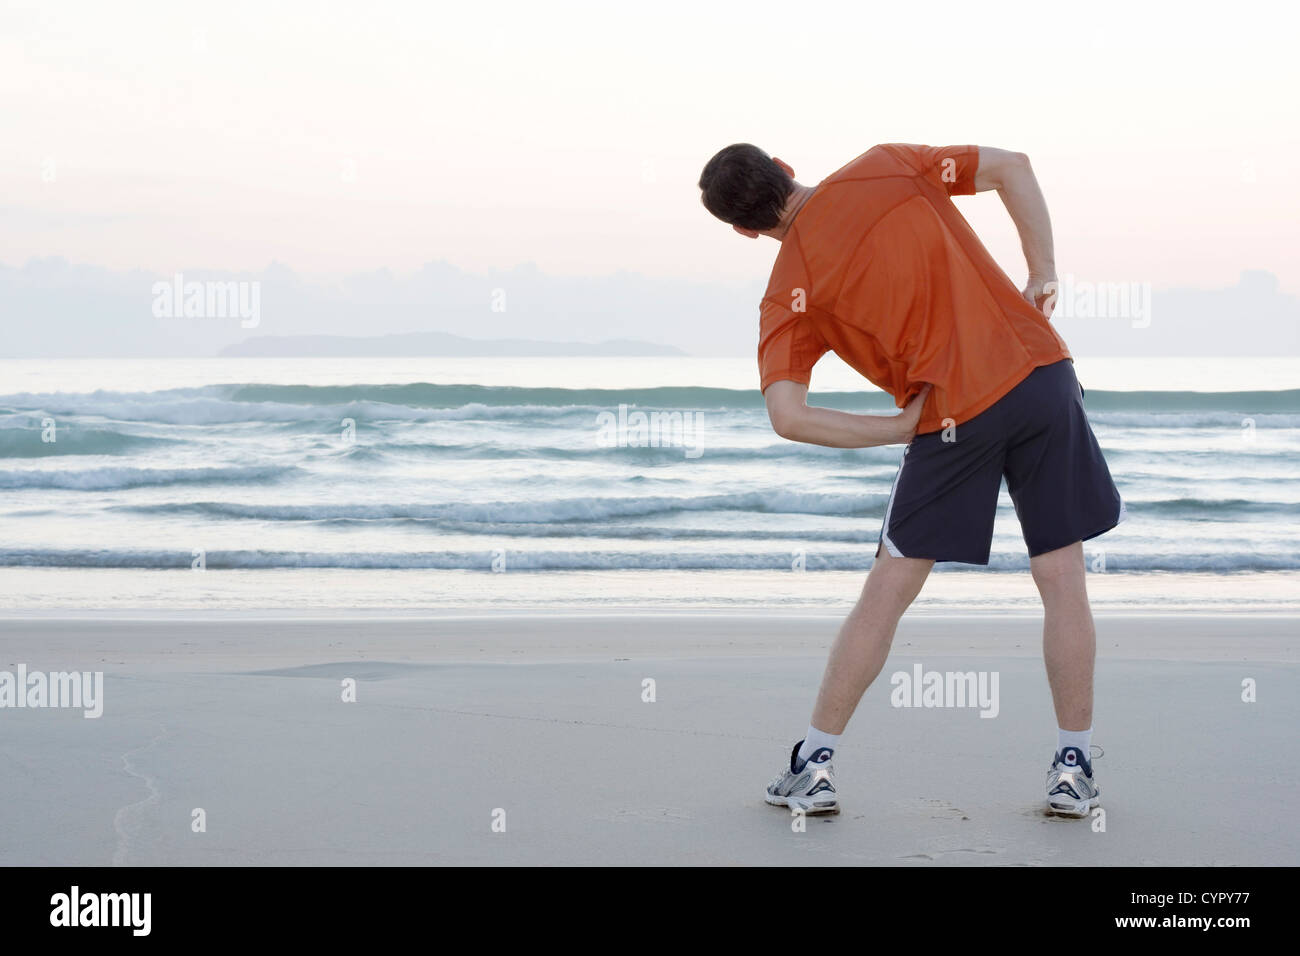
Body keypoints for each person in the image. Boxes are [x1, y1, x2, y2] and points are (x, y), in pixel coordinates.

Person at [697, 142, 1125, 817]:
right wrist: (1042, 275)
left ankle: (814, 766)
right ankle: (1073, 768)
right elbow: (1014, 165)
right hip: (1040, 372)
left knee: (890, 588)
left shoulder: (787, 295)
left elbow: (787, 416)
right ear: (783, 165)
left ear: (745, 229)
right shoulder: (885, 163)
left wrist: (896, 429)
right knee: (1060, 573)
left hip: (953, 414)